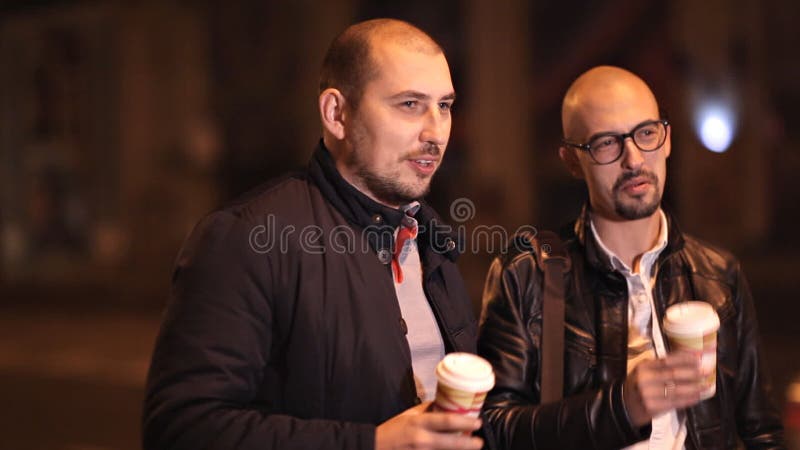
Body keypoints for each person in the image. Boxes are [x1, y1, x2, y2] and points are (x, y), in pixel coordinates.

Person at [143, 18, 484, 450]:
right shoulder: (245, 238)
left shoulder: (431, 241)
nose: (436, 132)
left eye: (445, 106)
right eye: (410, 104)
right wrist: (373, 443)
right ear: (336, 114)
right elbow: (182, 428)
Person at [477, 66, 784, 449]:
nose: (634, 159)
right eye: (607, 142)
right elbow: (492, 430)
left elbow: (761, 432)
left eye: (646, 133)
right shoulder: (527, 274)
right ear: (572, 161)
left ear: (667, 139)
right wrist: (620, 408)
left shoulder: (718, 275)